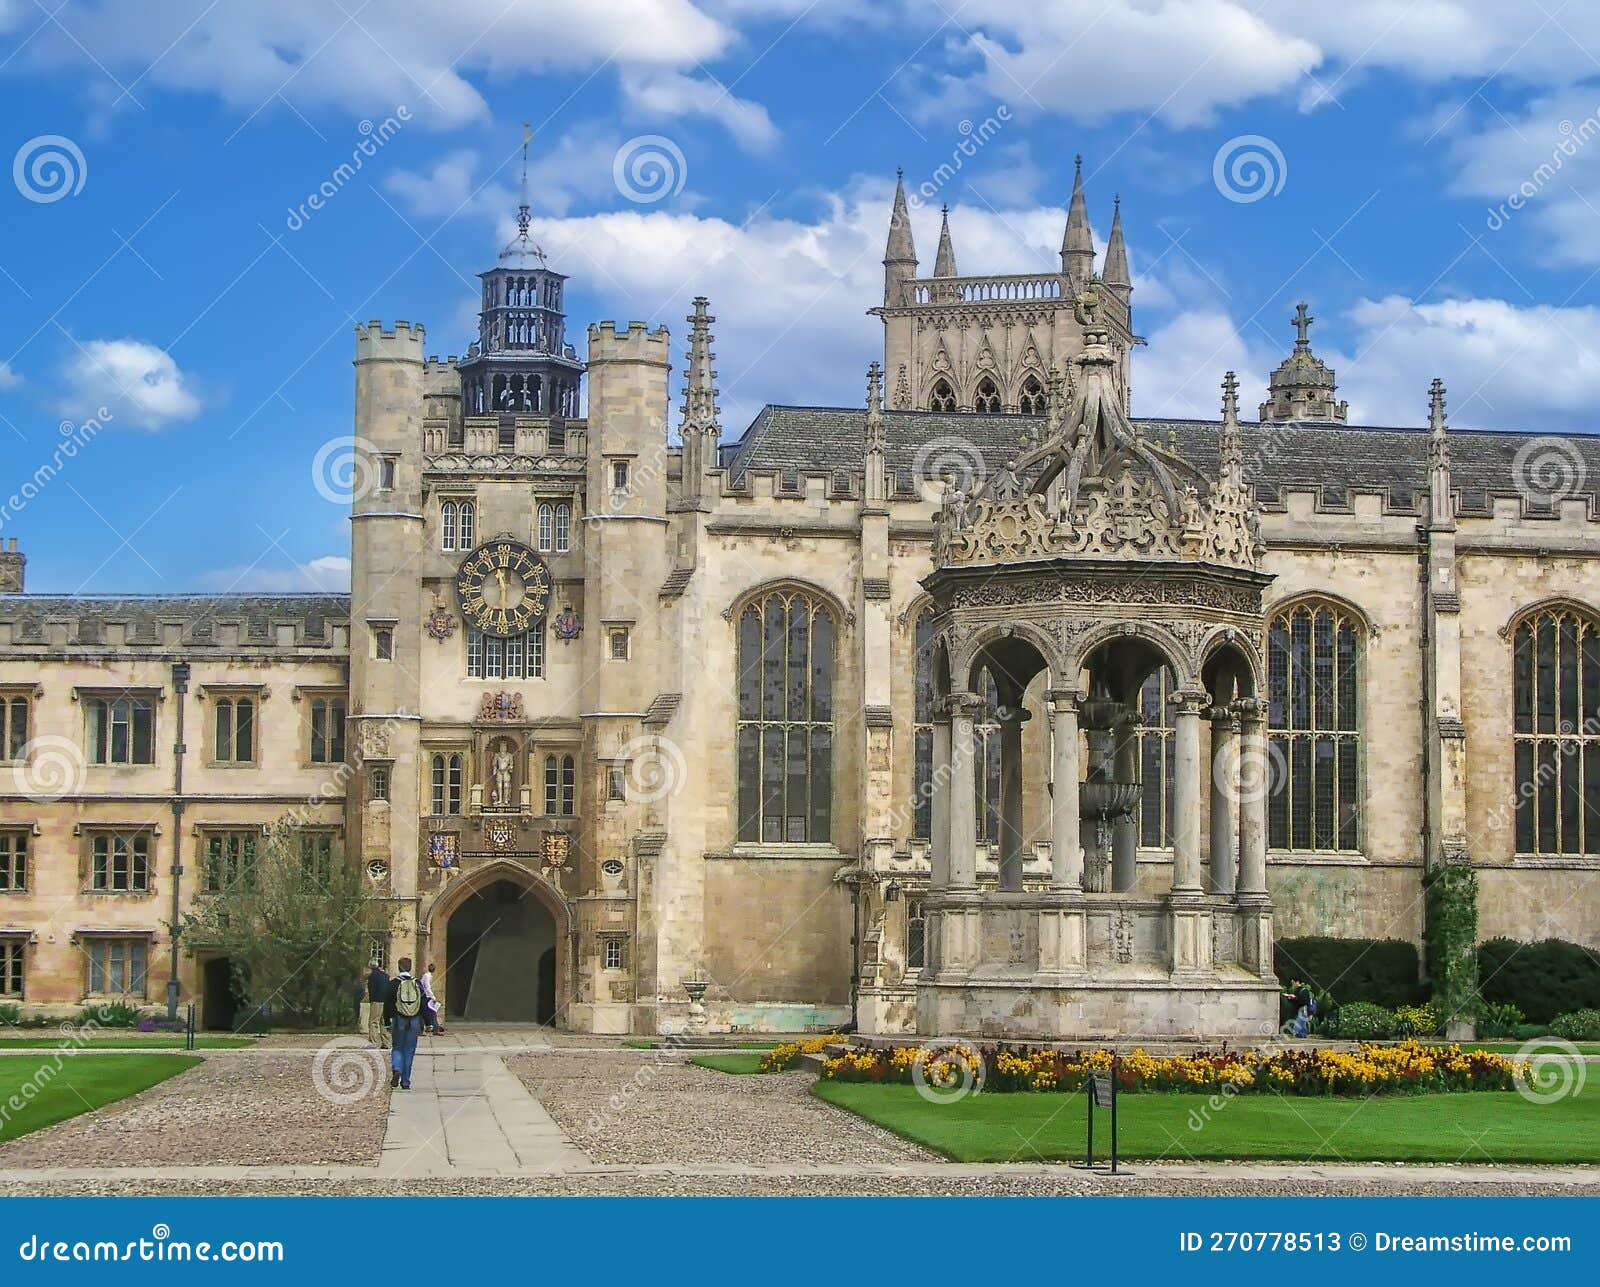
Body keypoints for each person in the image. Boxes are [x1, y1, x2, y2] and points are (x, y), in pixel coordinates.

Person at [383, 957, 424, 1089]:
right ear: (410, 967)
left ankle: (397, 1068)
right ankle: (405, 1082)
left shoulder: (393, 984)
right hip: (414, 1019)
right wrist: (426, 1022)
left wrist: (387, 1021)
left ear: (399, 967)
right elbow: (424, 1003)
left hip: (399, 1018)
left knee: (397, 1047)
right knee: (409, 1050)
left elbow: (387, 1004)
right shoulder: (417, 983)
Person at [365, 960, 389, 1049]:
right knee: (383, 1022)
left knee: (373, 1021)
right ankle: (386, 1042)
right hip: (386, 1000)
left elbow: (371, 989)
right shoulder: (385, 975)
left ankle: (373, 1042)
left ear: (370, 966)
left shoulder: (372, 976)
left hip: (376, 1000)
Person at [419, 962, 445, 1035]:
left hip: (426, 997)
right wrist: (433, 997)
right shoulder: (427, 976)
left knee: (428, 1013)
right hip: (426, 997)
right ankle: (433, 1029)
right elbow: (427, 987)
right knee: (431, 1013)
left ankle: (432, 1028)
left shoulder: (428, 976)